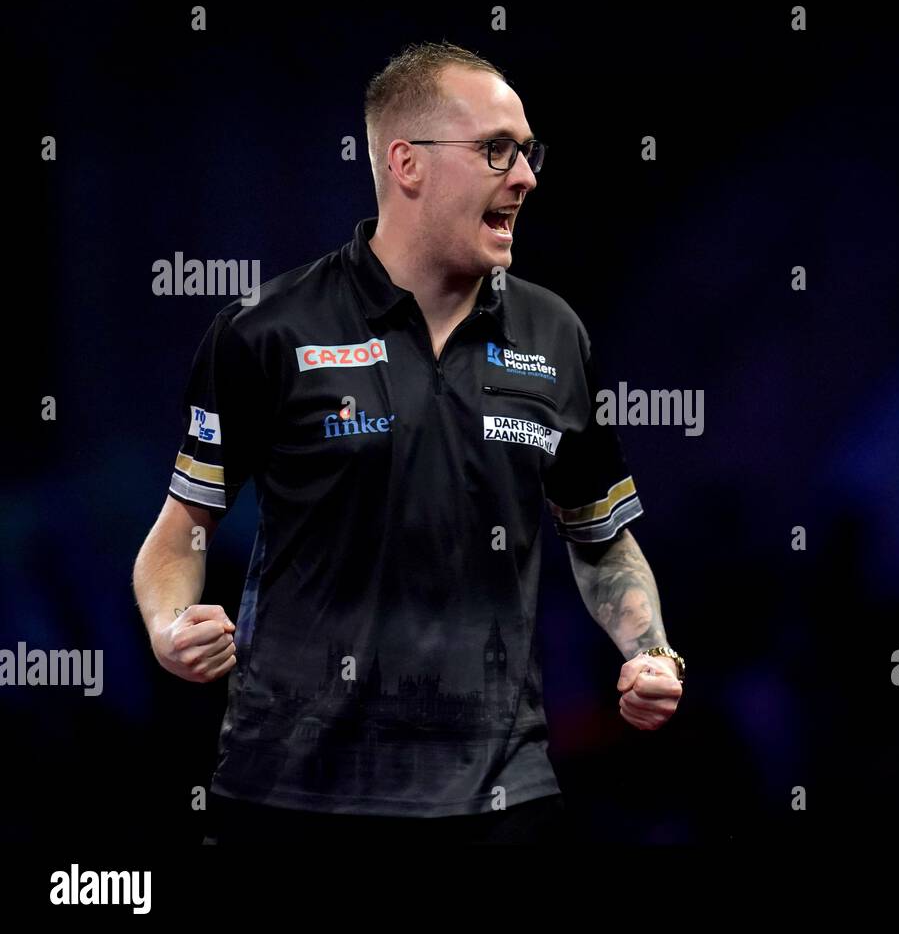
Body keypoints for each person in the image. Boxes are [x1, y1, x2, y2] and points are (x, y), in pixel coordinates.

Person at [132, 41, 685, 843]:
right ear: (407, 163)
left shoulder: (555, 334)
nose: (525, 177)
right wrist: (168, 628)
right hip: (289, 801)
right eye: (497, 150)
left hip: (503, 800)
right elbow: (180, 530)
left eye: (529, 152)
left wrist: (655, 654)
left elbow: (602, 542)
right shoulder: (265, 331)